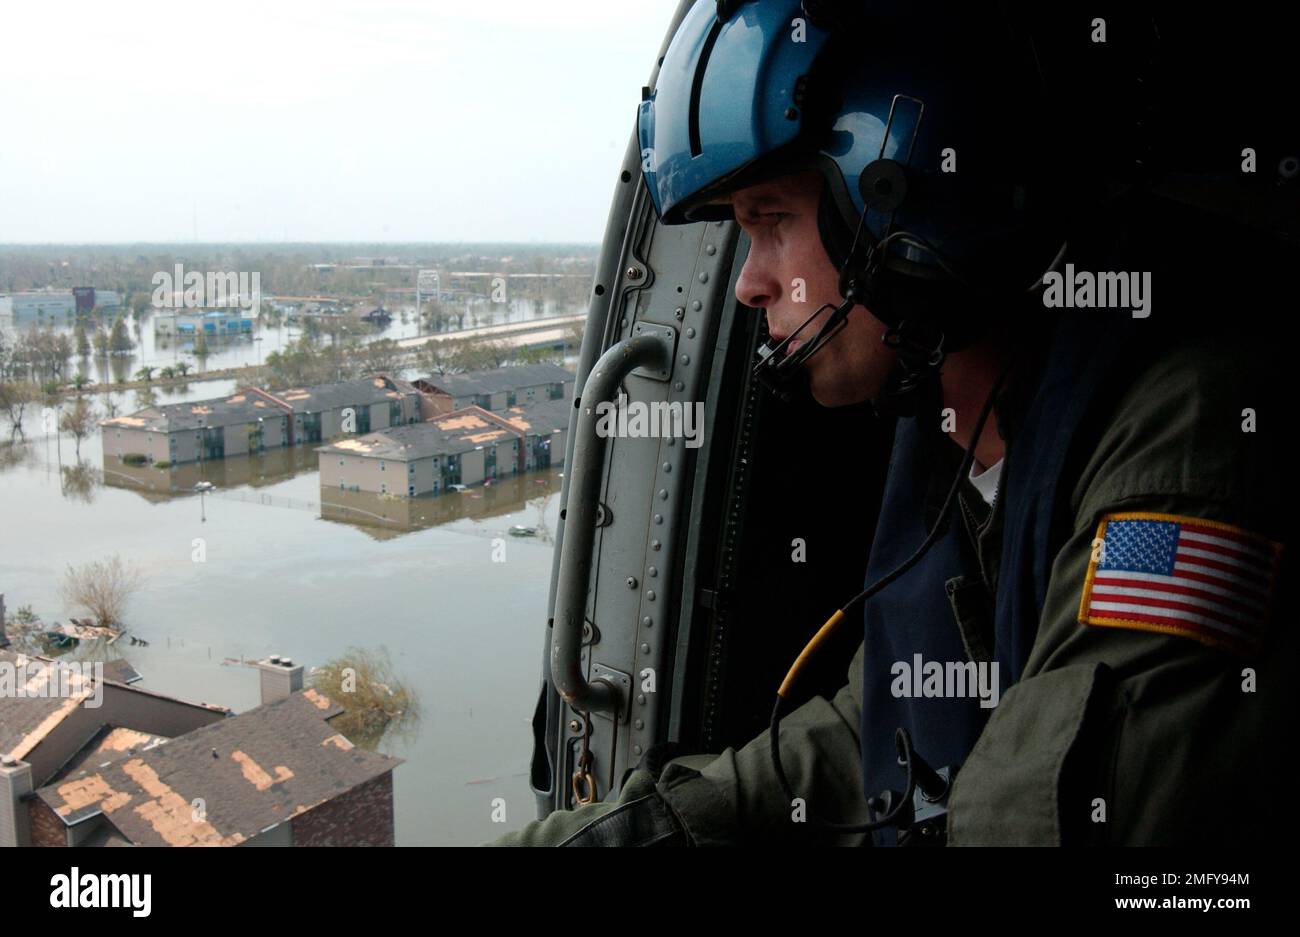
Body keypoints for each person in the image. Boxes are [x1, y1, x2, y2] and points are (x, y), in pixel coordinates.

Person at [489, 0, 1292, 846]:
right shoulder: (954, 420)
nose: (746, 284)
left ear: (905, 202)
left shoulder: (1191, 442)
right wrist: (640, 832)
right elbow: (891, 718)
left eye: (772, 223)